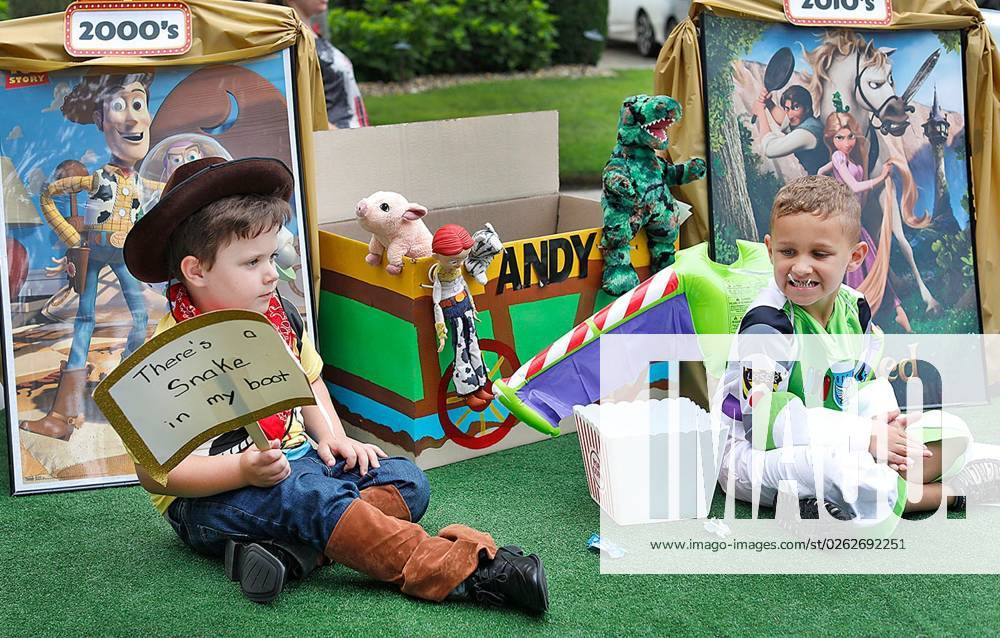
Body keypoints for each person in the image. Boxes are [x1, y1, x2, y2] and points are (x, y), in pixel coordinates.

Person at [121, 156, 548, 611]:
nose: (271, 273)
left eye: (271, 256)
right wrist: (241, 470)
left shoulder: (277, 316)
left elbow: (310, 382)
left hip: (298, 462)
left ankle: (295, 553)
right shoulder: (168, 357)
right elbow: (154, 474)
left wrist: (335, 438)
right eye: (251, 262)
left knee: (406, 479)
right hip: (211, 499)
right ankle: (462, 571)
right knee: (312, 496)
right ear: (196, 270)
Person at [713, 176, 999, 526]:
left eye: (819, 253)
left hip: (843, 433)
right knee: (834, 467)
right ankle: (950, 492)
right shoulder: (767, 325)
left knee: (954, 433)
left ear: (855, 256)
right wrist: (865, 437)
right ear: (771, 249)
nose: (801, 267)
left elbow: (864, 385)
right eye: (788, 252)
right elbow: (767, 425)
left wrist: (885, 427)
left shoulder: (856, 309)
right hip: (755, 454)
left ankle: (832, 505)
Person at [20, 72, 157, 440]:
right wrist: (69, 236)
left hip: (124, 254)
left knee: (141, 315)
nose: (131, 117)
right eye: (118, 105)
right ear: (100, 121)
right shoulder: (96, 180)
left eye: (138, 103)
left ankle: (127, 391)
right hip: (96, 253)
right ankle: (63, 416)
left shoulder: (140, 183)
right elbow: (49, 194)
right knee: (85, 317)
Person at [817, 107, 911, 333]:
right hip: (844, 219)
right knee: (857, 267)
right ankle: (865, 315)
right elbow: (854, 185)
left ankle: (893, 309)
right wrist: (881, 177)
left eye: (850, 136)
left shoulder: (844, 157)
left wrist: (826, 182)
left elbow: (821, 171)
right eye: (840, 137)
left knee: (870, 262)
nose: (847, 142)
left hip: (852, 217)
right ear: (832, 139)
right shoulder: (838, 156)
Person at [268, 0, 368, 129]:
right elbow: (293, 107)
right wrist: (340, 137)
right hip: (336, 142)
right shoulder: (289, 40)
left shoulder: (311, 36)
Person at [752, 85, 828, 176]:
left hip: (824, 185)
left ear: (807, 108)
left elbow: (769, 149)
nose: (790, 115)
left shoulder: (806, 134)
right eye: (787, 109)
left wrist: (760, 112)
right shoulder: (810, 122)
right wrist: (768, 103)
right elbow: (785, 120)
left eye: (796, 108)